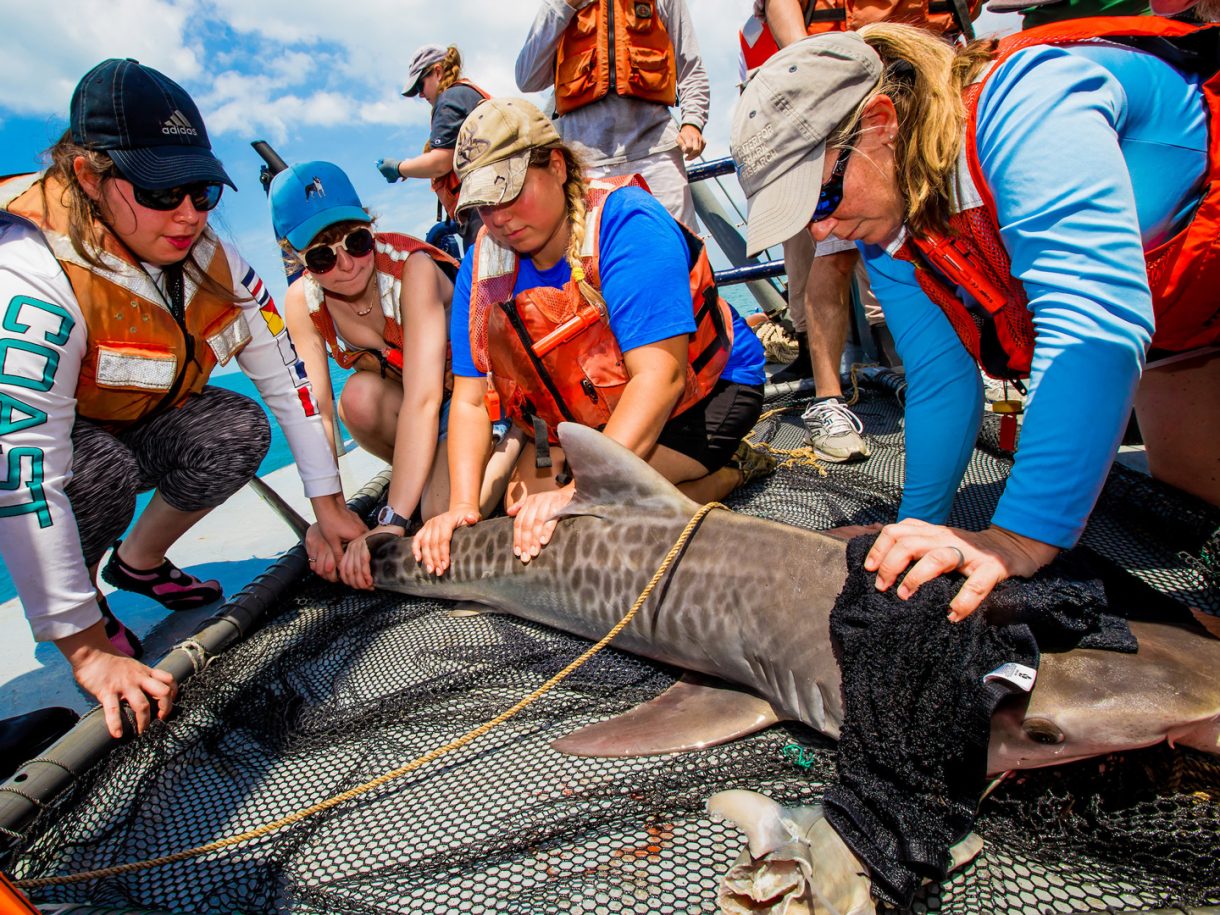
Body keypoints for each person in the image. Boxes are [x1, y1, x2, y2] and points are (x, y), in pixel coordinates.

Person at [730, 25, 1220, 618]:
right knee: (1192, 522)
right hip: (1180, 333)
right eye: (801, 216)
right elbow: (941, 377)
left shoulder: (1027, 104)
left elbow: (1094, 319)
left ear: (881, 124)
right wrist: (915, 530)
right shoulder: (889, 228)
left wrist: (1016, 539)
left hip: (1174, 290)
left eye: (822, 199)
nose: (821, 231)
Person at [0, 59, 366, 739]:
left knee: (237, 428)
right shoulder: (27, 269)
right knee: (98, 469)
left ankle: (136, 565)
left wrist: (330, 507)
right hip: (46, 456)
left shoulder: (215, 257)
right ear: (88, 176)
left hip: (131, 422)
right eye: (162, 192)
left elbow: (287, 378)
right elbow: (24, 465)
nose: (189, 214)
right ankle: (84, 596)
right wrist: (81, 646)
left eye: (201, 191)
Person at [413, 98, 767, 575]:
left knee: (596, 523)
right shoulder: (482, 267)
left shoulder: (625, 221)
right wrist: (460, 505)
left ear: (556, 166)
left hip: (702, 396)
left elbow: (661, 378)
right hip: (587, 414)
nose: (498, 219)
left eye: (510, 192)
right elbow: (472, 401)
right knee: (523, 520)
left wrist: (581, 492)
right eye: (483, 204)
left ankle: (729, 470)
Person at [270, 160, 521, 589]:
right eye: (322, 256)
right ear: (299, 260)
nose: (346, 264)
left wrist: (392, 519)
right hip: (416, 410)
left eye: (358, 242)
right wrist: (327, 515)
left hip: (475, 401)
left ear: (372, 228)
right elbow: (319, 414)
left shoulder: (412, 269)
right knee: (357, 398)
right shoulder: (302, 302)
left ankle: (508, 445)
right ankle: (424, 478)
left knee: (438, 515)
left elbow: (425, 399)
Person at [515, 0, 709, 229]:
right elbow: (527, 78)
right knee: (591, 260)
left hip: (657, 157)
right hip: (585, 166)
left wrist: (692, 122)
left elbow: (691, 66)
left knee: (677, 251)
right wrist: (563, 6)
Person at [376, 44, 491, 254]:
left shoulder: (449, 99)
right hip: (496, 201)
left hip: (483, 212)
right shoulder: (467, 94)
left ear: (437, 71)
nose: (420, 94)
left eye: (420, 85)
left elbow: (440, 163)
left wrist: (399, 168)